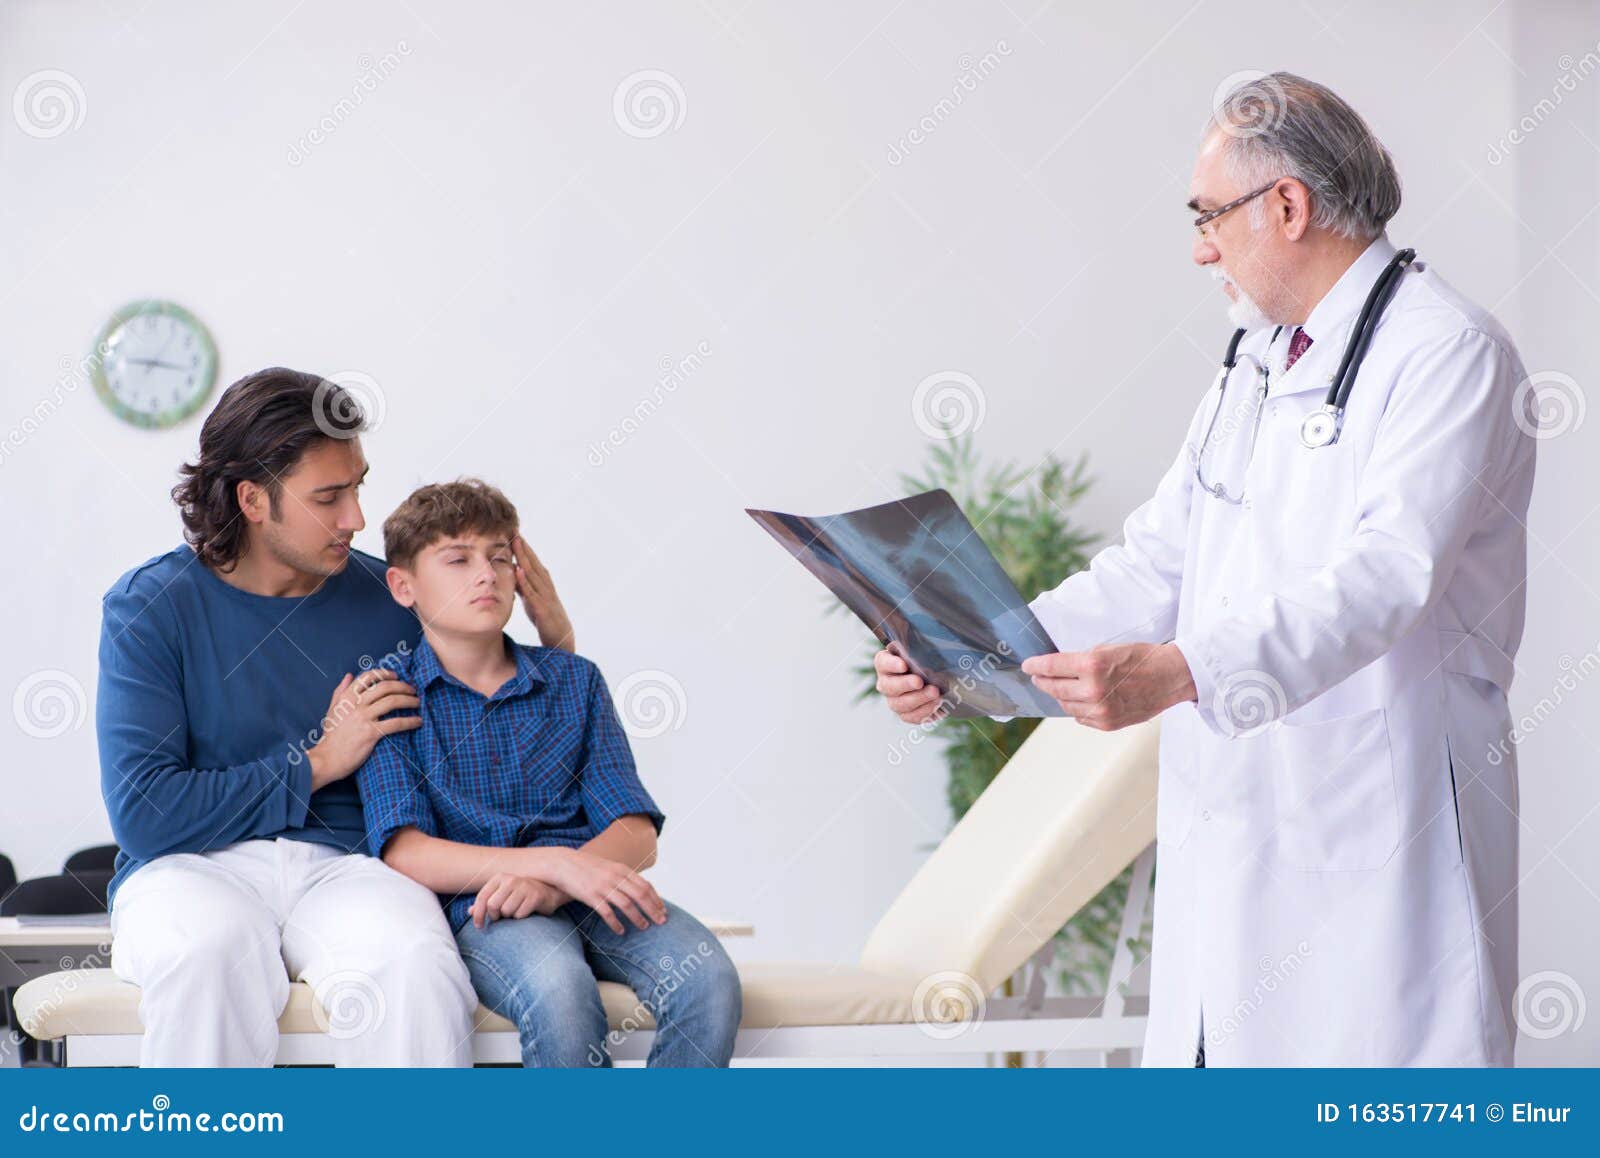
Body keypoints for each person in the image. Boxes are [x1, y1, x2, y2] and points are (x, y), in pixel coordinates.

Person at [874, 73, 1536, 1066]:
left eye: (1207, 215)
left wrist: (1182, 672)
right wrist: (967, 655)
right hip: (1239, 830)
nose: (1198, 247)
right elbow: (1158, 561)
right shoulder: (1255, 360)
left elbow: (1384, 579)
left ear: (1286, 205)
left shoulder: (1446, 352)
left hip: (1377, 831)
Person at [98, 367, 575, 1066]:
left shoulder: (392, 599)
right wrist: (319, 762)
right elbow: (146, 814)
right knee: (207, 955)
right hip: (189, 868)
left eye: (357, 487)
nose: (356, 517)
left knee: (415, 967)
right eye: (330, 497)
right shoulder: (152, 606)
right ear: (253, 499)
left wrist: (558, 641)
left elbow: (509, 738)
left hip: (352, 865)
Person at [357, 478, 742, 1067]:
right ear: (403, 586)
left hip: (595, 892)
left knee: (708, 981)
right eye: (457, 560)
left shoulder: (574, 680)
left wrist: (558, 880)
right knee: (560, 993)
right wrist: (545, 867)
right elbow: (407, 851)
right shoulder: (390, 694)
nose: (485, 574)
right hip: (487, 912)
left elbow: (636, 835)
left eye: (499, 558)